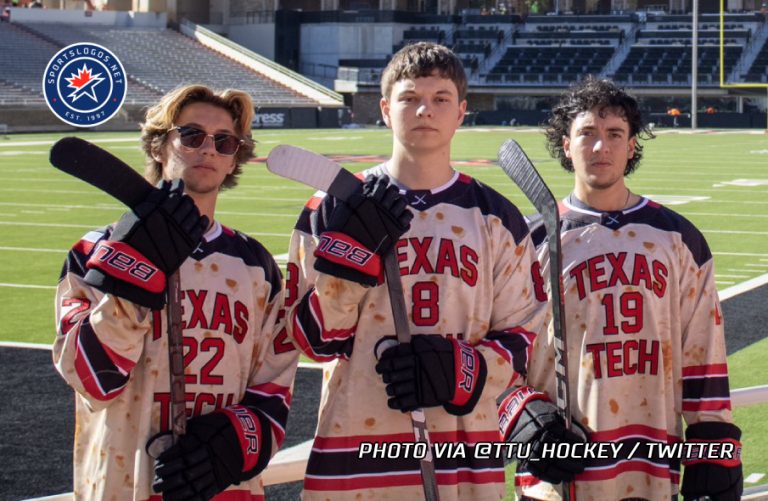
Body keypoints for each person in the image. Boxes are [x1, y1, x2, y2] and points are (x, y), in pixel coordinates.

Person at [284, 42, 548, 500]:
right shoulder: (331, 207)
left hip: (462, 454)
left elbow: (524, 334)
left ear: (461, 111)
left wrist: (461, 370)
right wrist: (343, 279)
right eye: (410, 98)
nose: (425, 109)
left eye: (441, 99)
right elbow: (309, 340)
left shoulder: (497, 217)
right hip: (355, 447)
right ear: (386, 109)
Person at [498, 77, 742, 500]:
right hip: (559, 471)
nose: (600, 147)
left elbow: (702, 348)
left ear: (631, 146)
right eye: (586, 134)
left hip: (652, 462)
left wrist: (714, 442)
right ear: (565, 144)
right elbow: (499, 349)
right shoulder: (530, 241)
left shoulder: (678, 238)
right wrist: (522, 416)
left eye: (614, 134)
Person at [53, 84, 299, 500]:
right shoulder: (94, 252)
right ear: (159, 145)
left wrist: (233, 443)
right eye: (191, 135)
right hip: (124, 479)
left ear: (234, 158)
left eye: (224, 142)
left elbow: (274, 384)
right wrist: (133, 277)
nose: (208, 149)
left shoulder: (256, 264)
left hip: (224, 485)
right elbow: (91, 379)